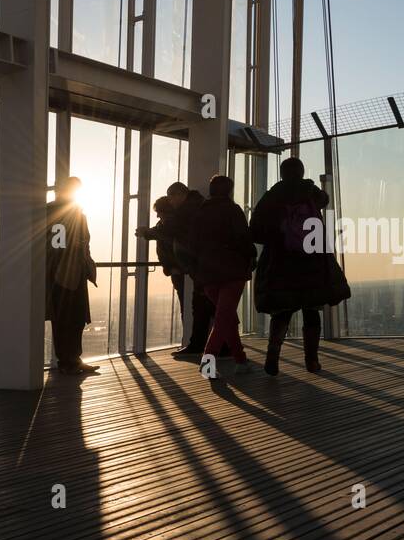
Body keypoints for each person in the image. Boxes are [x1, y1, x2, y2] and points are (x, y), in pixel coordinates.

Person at [250, 157, 350, 375]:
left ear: (282, 173)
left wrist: (278, 236)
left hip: (281, 263)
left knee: (282, 311)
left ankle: (273, 356)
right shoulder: (311, 192)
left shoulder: (272, 196)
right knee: (311, 310)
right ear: (302, 172)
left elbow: (255, 230)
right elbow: (325, 200)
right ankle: (312, 361)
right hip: (311, 261)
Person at [136, 180, 213, 359]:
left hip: (193, 267)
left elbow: (168, 232)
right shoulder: (197, 207)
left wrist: (147, 233)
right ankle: (215, 345)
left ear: (179, 195)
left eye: (171, 199)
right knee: (208, 306)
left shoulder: (185, 212)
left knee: (201, 306)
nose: (171, 202)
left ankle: (200, 345)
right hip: (199, 266)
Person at [191, 174, 257, 376]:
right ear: (229, 190)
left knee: (225, 317)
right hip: (231, 271)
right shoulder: (232, 210)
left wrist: (197, 270)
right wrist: (251, 257)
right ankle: (208, 364)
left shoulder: (200, 213)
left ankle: (240, 360)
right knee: (223, 319)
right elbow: (243, 238)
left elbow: (192, 244)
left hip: (208, 273)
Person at [45, 177, 99, 375]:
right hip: (62, 273)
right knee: (66, 318)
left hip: (72, 272)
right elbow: (56, 243)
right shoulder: (57, 212)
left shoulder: (71, 212)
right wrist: (74, 248)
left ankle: (72, 359)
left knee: (74, 318)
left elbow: (79, 242)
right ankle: (68, 361)